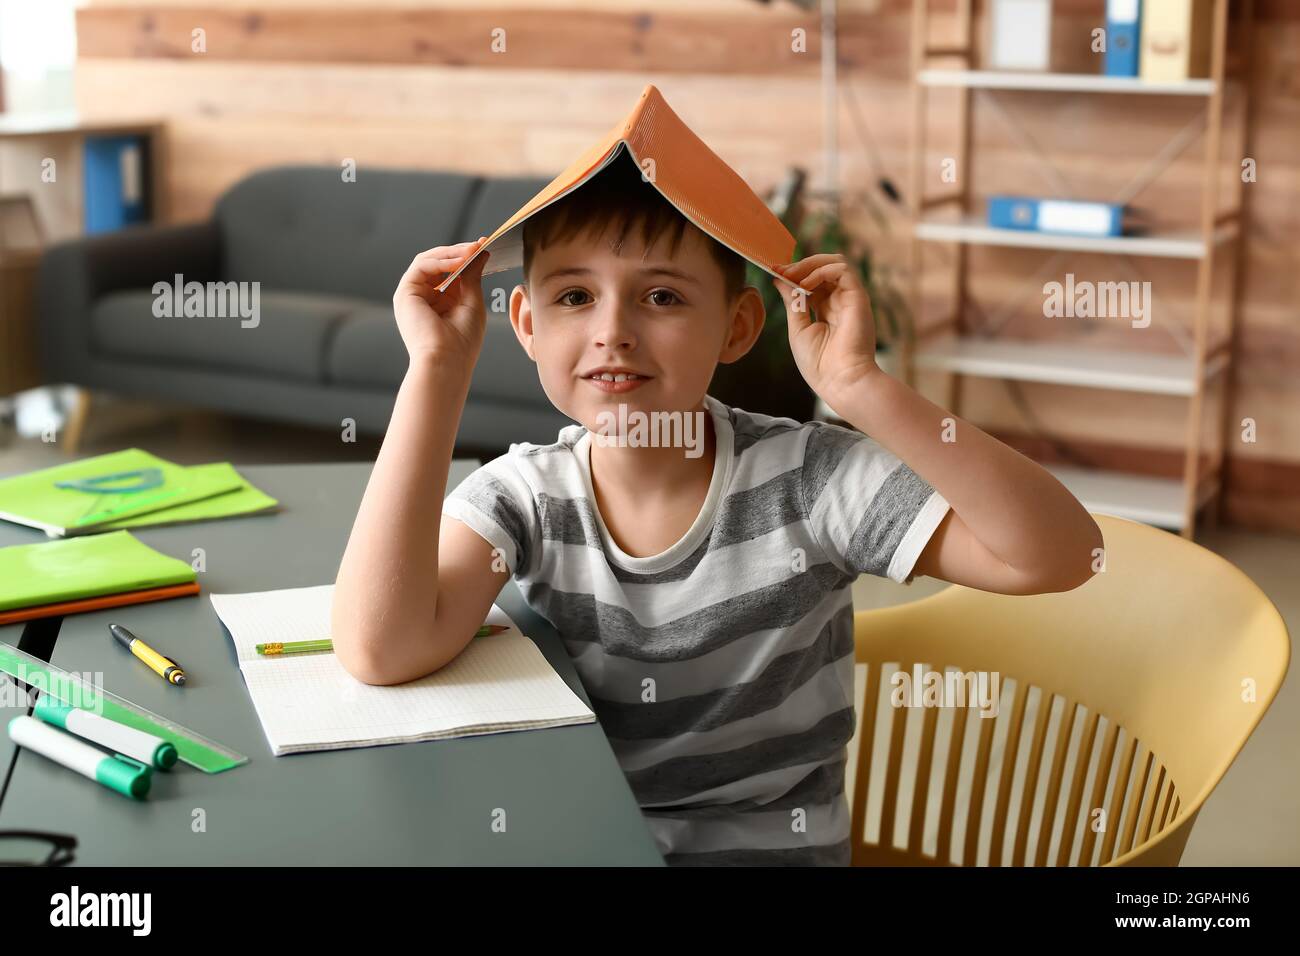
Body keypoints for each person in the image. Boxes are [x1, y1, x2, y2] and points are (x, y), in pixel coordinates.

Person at [331, 157, 1102, 865]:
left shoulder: (812, 479)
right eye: (573, 296)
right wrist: (435, 369)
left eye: (661, 296)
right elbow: (381, 648)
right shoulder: (526, 495)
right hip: (583, 838)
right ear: (528, 327)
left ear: (736, 327)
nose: (612, 332)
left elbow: (1059, 557)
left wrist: (861, 387)